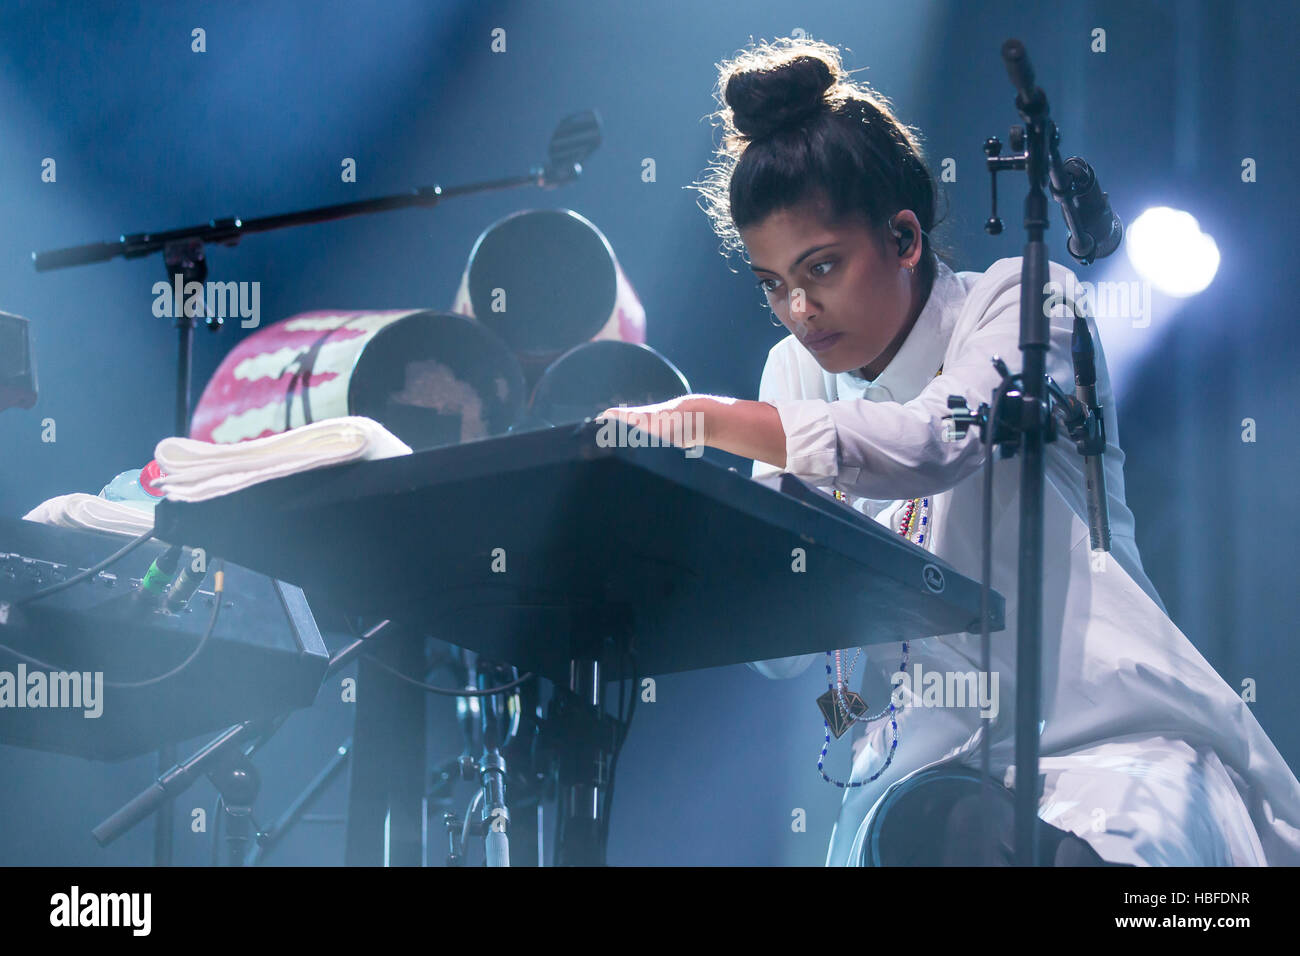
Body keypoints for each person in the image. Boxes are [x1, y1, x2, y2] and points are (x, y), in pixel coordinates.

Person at [598, 36, 1300, 866]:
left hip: (1109, 738)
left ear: (904, 238)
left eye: (820, 267)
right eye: (773, 282)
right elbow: (789, 661)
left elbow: (933, 442)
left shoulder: (1022, 299)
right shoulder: (790, 373)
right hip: (925, 775)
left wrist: (710, 421)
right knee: (934, 834)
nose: (798, 308)